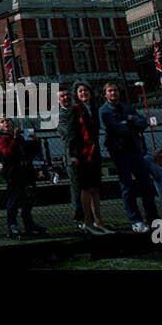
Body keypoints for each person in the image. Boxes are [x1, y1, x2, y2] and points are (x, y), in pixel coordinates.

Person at [100, 80, 161, 233]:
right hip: (119, 151)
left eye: (115, 90)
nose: (113, 93)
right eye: (110, 91)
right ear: (105, 94)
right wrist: (131, 123)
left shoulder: (128, 107)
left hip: (134, 149)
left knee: (146, 184)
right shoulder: (104, 111)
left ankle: (153, 219)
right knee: (127, 186)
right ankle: (136, 220)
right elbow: (115, 128)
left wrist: (128, 123)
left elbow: (143, 121)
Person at [68, 80, 111, 234]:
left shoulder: (94, 109)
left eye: (86, 90)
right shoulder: (75, 110)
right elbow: (71, 134)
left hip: (94, 151)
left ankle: (98, 220)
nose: (83, 93)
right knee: (86, 188)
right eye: (80, 91)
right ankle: (87, 221)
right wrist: (73, 155)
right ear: (76, 94)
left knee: (95, 188)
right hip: (82, 153)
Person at [0, 117, 46, 238]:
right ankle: (12, 224)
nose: (6, 123)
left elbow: (31, 153)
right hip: (13, 174)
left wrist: (35, 141)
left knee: (28, 199)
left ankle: (29, 223)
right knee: (14, 199)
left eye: (8, 120)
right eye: (2, 121)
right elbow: (7, 152)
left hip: (26, 172)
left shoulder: (20, 138)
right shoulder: (2, 139)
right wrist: (15, 139)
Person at [55, 85, 85, 231]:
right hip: (72, 154)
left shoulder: (77, 110)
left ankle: (90, 217)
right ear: (58, 100)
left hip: (84, 152)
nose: (66, 98)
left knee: (88, 188)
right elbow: (68, 134)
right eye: (62, 96)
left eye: (67, 95)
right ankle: (79, 218)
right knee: (77, 189)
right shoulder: (59, 116)